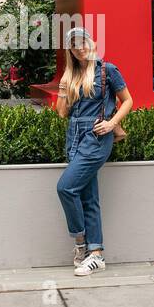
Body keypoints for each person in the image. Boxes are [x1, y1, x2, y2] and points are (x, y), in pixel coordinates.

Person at [54, 27, 133, 276]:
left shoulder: (107, 70)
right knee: (88, 197)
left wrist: (111, 123)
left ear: (92, 42)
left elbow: (128, 100)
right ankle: (96, 254)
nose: (80, 47)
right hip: (74, 138)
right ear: (71, 51)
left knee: (65, 187)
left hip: (97, 138)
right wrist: (65, 85)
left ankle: (80, 243)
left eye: (83, 41)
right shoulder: (72, 75)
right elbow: (62, 112)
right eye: (74, 45)